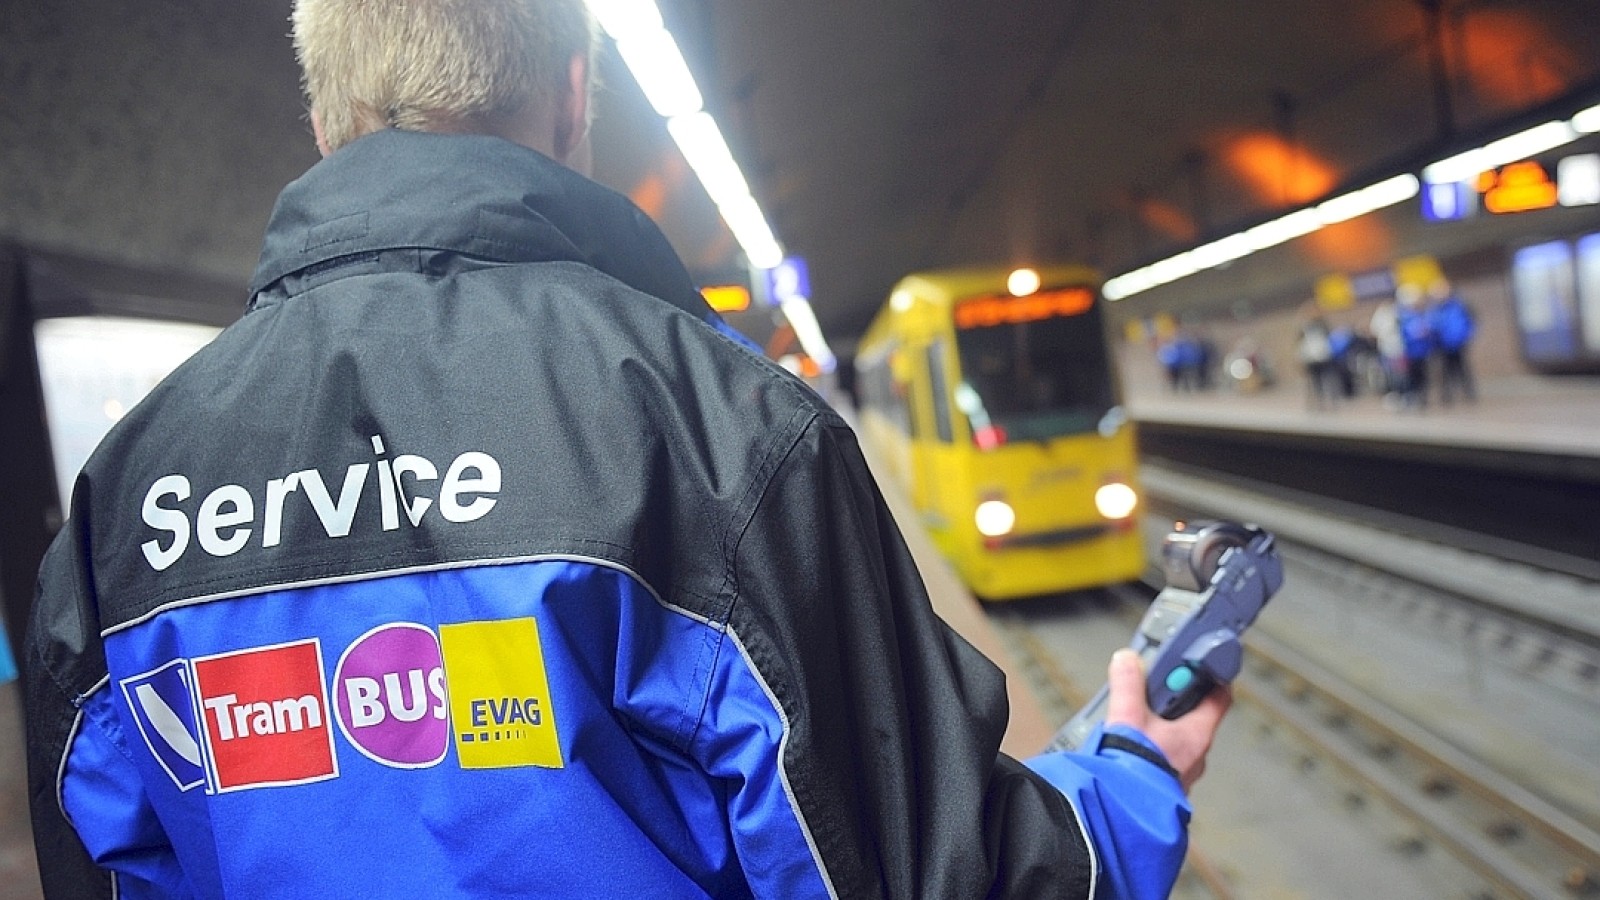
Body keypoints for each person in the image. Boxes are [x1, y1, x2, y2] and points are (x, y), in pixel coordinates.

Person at [23, 2, 1231, 897]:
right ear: (576, 90)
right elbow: (939, 875)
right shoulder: (724, 436)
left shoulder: (119, 502)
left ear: (322, 113)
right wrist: (1130, 777)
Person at [1426, 278, 1477, 406]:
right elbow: (1431, 324)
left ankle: (1469, 392)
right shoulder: (1434, 309)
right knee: (1445, 371)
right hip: (1442, 344)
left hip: (1457, 343)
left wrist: (1466, 336)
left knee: (1462, 369)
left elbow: (1471, 321)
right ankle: (1446, 395)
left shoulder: (1458, 305)